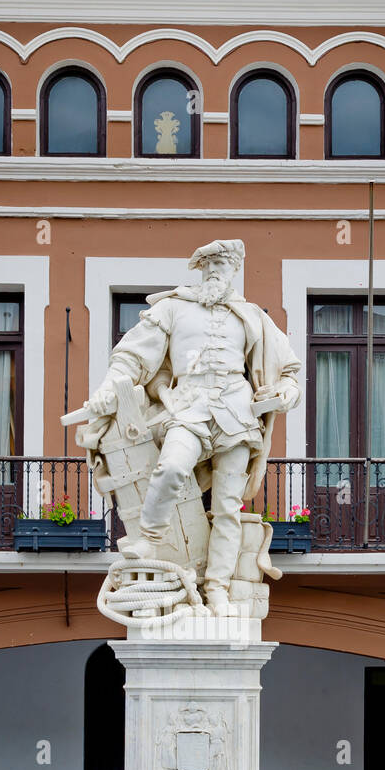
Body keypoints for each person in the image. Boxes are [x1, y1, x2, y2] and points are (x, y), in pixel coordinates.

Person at [85, 239, 301, 610]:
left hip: (236, 413)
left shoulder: (252, 317)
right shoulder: (171, 309)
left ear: (235, 270)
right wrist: (109, 387)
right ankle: (148, 540)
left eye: (224, 263)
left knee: (227, 506)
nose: (217, 269)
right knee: (170, 467)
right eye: (211, 263)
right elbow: (131, 357)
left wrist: (283, 393)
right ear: (200, 268)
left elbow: (290, 375)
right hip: (187, 406)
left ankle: (217, 585)